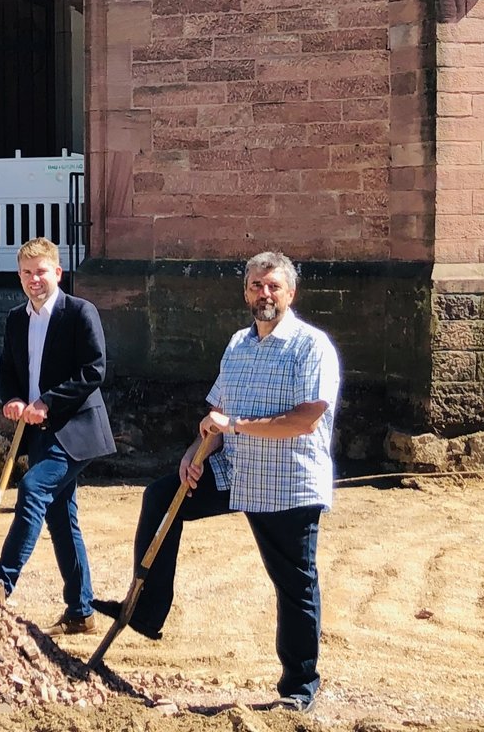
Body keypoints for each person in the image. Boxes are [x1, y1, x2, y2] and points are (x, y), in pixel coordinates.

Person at [100, 250, 342, 714]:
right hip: (235, 470)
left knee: (293, 583)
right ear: (246, 291)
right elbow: (214, 417)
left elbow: (307, 420)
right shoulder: (238, 344)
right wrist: (194, 455)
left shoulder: (312, 346)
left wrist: (235, 426)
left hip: (287, 482)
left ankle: (298, 688)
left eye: (273, 286)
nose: (264, 294)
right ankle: (148, 611)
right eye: (256, 285)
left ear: (290, 293)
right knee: (161, 497)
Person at [0, 237, 115, 633]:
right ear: (19, 276)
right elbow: (6, 369)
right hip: (39, 433)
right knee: (60, 516)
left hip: (77, 429)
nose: (34, 279)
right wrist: (15, 399)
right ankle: (80, 610)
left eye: (41, 271)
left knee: (34, 488)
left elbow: (94, 370)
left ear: (57, 272)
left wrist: (47, 402)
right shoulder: (16, 318)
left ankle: (2, 580)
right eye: (26, 272)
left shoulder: (79, 312)